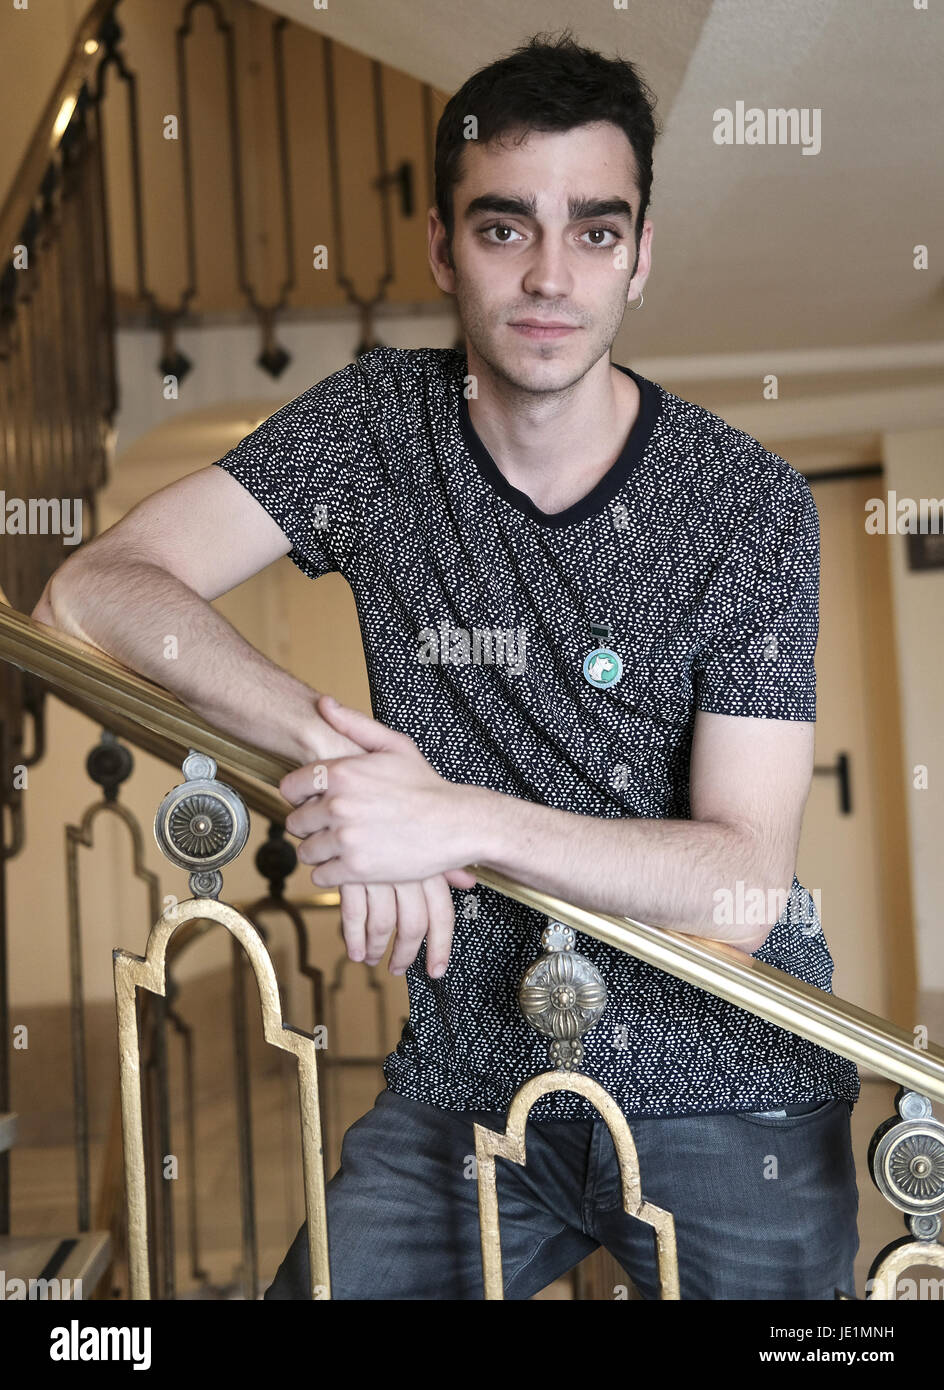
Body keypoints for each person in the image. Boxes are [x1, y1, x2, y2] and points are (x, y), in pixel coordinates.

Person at [36, 31, 859, 1300]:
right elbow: (91, 588)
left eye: (593, 231)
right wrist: (339, 756)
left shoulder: (746, 505)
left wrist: (443, 819)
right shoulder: (375, 428)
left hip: (729, 1091)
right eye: (500, 227)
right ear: (439, 247)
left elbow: (739, 888)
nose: (547, 275)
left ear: (639, 254)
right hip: (472, 1083)